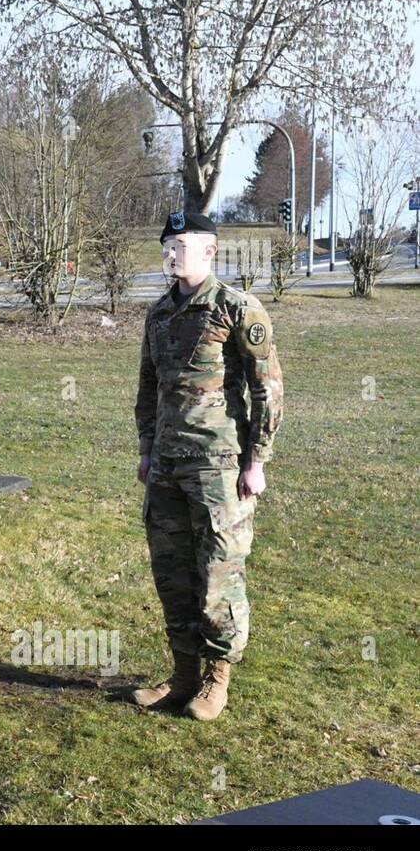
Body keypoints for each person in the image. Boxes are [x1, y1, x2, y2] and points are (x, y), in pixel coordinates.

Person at [132, 211, 284, 721]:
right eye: (167, 245)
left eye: (182, 244)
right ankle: (182, 675)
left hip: (220, 465)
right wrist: (146, 451)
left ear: (210, 251)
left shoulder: (236, 308)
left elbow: (268, 389)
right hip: (168, 467)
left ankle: (217, 677)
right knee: (172, 572)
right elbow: (148, 388)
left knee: (219, 572)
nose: (172, 254)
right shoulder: (158, 314)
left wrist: (257, 459)